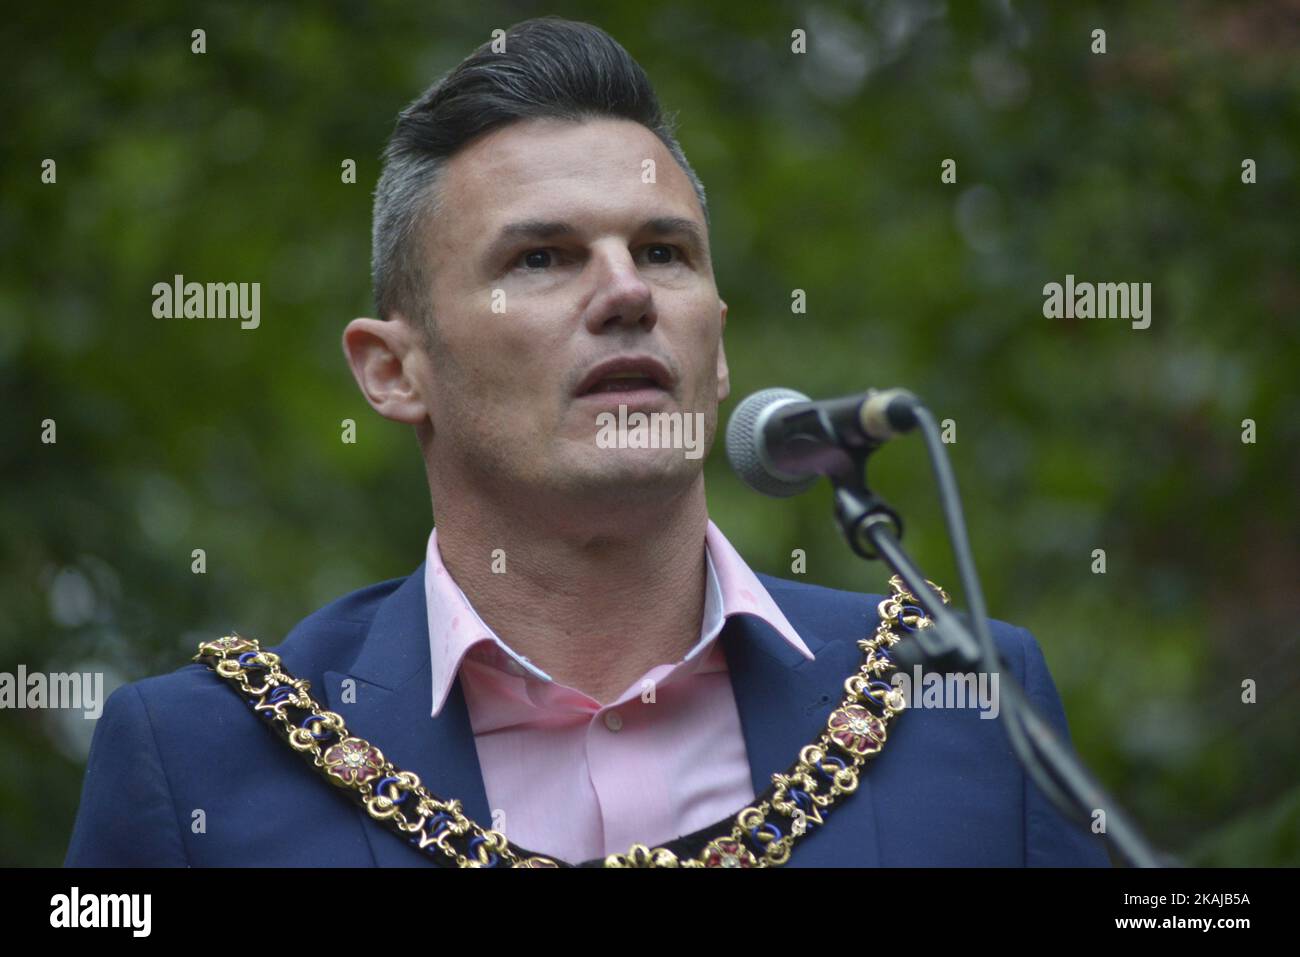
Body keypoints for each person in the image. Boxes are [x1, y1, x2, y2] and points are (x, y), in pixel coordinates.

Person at [65, 16, 1108, 868]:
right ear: (394, 370)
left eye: (662, 251)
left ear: (718, 344)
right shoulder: (200, 760)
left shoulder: (966, 704)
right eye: (541, 259)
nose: (625, 295)